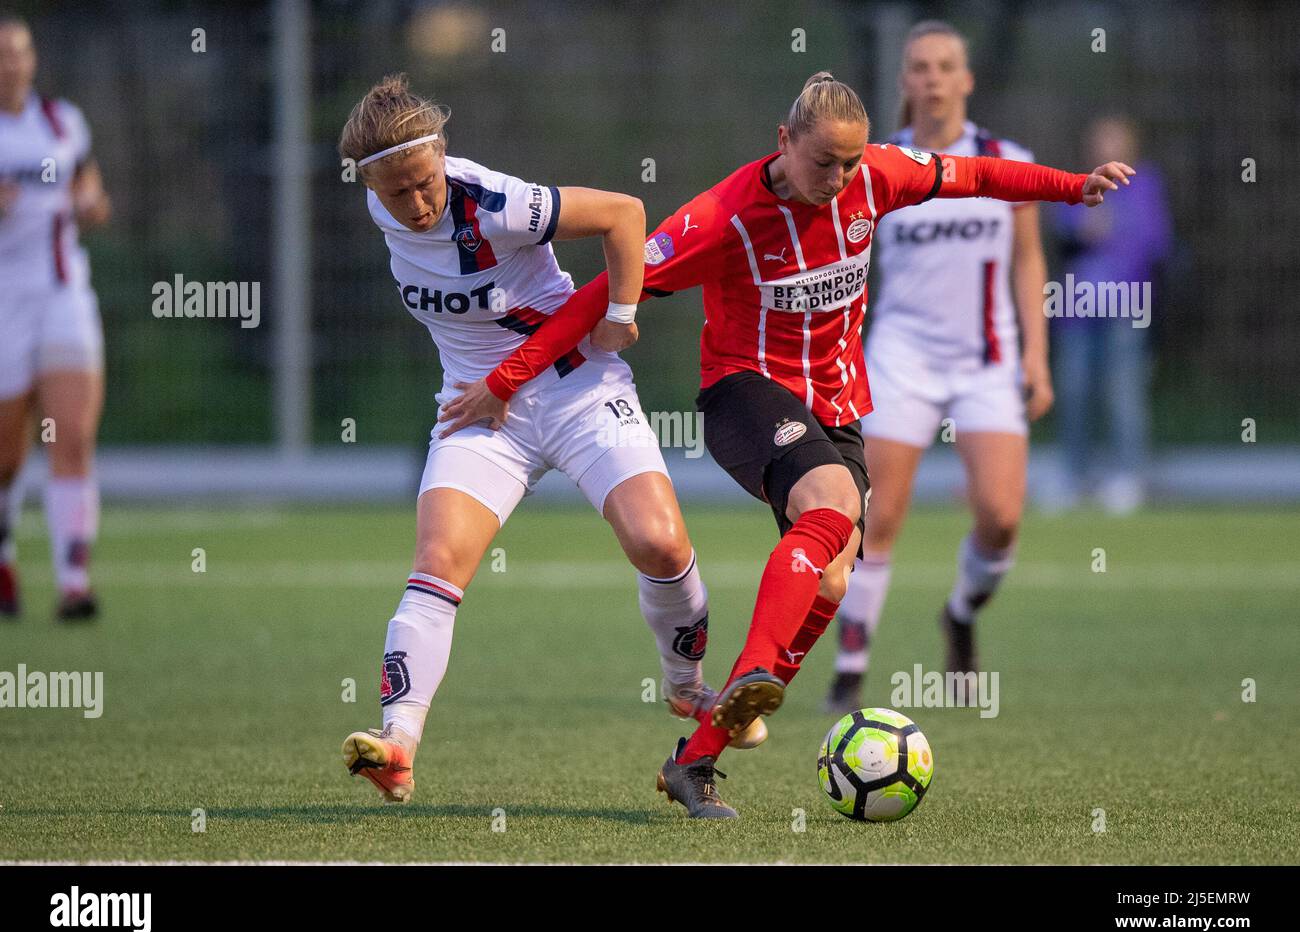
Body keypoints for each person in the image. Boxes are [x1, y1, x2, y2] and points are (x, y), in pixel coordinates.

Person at [439, 72, 1132, 818]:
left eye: (852, 163)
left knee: (829, 584)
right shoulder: (724, 216)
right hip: (744, 393)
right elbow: (592, 293)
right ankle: (754, 672)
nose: (839, 179)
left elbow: (975, 174)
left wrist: (1072, 185)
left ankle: (695, 760)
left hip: (835, 406)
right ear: (783, 141)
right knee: (834, 503)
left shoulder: (879, 178)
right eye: (824, 162)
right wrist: (507, 379)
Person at [336, 75, 763, 804]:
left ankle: (688, 688)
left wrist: (622, 311)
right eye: (396, 192)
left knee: (660, 543)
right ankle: (397, 743)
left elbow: (626, 215)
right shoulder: (384, 202)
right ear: (370, 184)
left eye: (424, 182)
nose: (416, 203)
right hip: (479, 411)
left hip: (576, 388)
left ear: (443, 154)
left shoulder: (492, 202)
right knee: (438, 562)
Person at [825, 20, 1054, 713]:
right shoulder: (875, 164)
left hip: (987, 359)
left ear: (966, 79)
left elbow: (1027, 260)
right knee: (878, 516)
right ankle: (852, 666)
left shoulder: (1005, 158)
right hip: (901, 357)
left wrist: (1036, 359)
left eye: (944, 66)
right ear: (904, 82)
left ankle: (959, 615)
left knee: (1001, 517)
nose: (931, 78)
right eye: (918, 67)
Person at [0, 13, 111, 621]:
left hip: (62, 294)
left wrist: (90, 204)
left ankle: (74, 581)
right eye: (1, 55)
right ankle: (6, 557)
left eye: (19, 52)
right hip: (3, 301)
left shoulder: (61, 120)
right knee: (8, 456)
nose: (11, 65)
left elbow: (94, 194)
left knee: (71, 435)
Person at [1050, 115, 1171, 514]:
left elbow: (1157, 242)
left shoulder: (1145, 186)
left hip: (1126, 306)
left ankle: (1129, 476)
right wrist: (1082, 232)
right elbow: (1060, 230)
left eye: (1115, 140)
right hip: (1075, 308)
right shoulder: (1080, 182)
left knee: (1123, 393)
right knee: (1075, 391)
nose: (1107, 148)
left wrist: (1111, 229)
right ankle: (1075, 475)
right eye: (1101, 140)